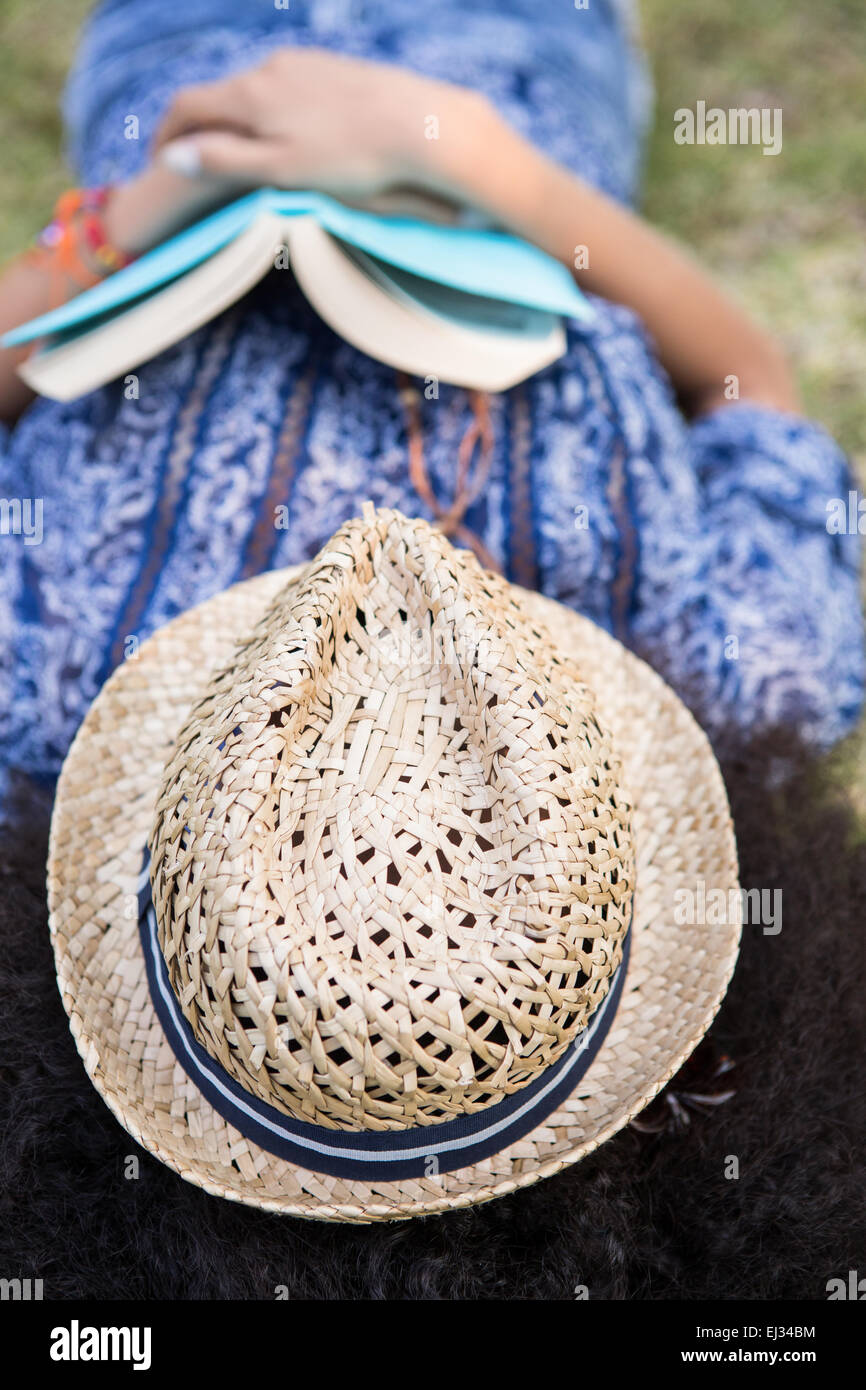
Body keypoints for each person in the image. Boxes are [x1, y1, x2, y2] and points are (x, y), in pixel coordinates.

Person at [0, 0, 861, 823]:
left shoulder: (61, 716)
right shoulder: (690, 692)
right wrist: (470, 153)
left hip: (187, 57)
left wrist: (156, 202)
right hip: (517, 51)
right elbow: (745, 383)